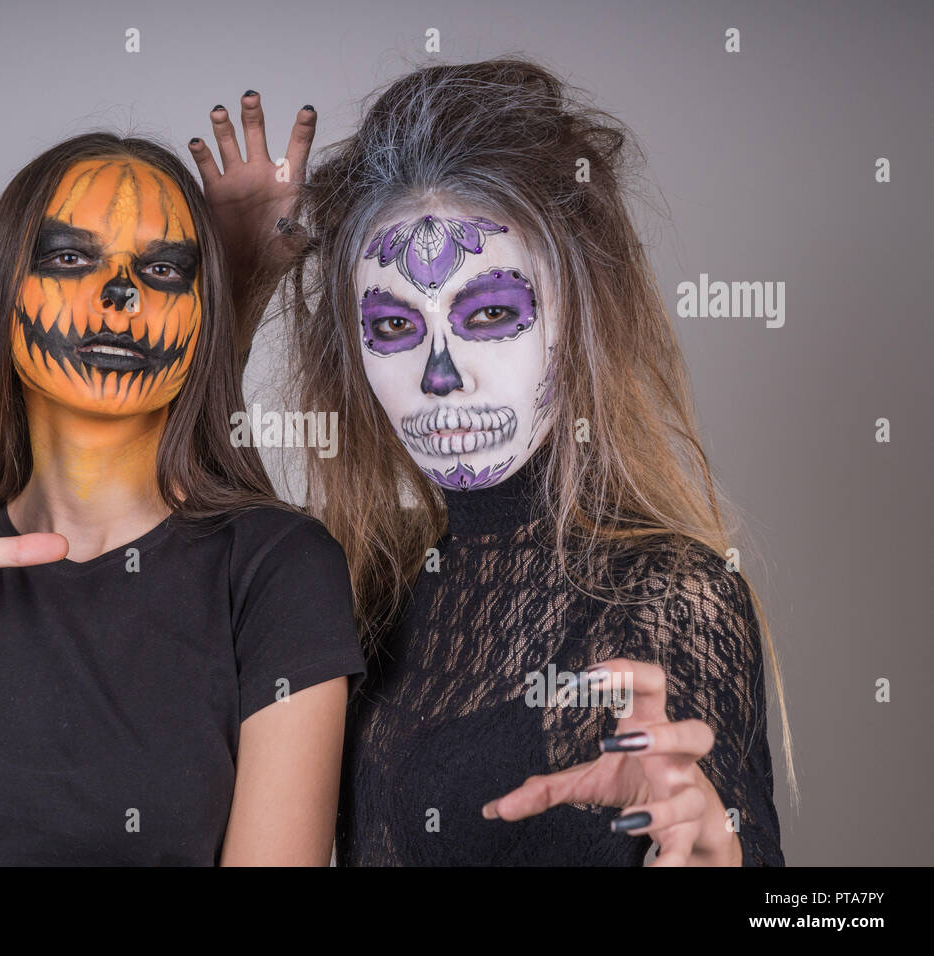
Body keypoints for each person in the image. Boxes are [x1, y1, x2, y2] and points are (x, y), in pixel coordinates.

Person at [191, 59, 792, 866]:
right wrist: (236, 295)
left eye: (491, 313)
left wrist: (718, 846)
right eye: (396, 329)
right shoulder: (366, 580)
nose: (441, 374)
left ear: (579, 320)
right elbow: (206, 542)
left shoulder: (667, 594)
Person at [0, 133, 366, 866]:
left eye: (164, 269)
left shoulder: (278, 570)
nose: (122, 294)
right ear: (6, 288)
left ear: (202, 311)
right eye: (71, 258)